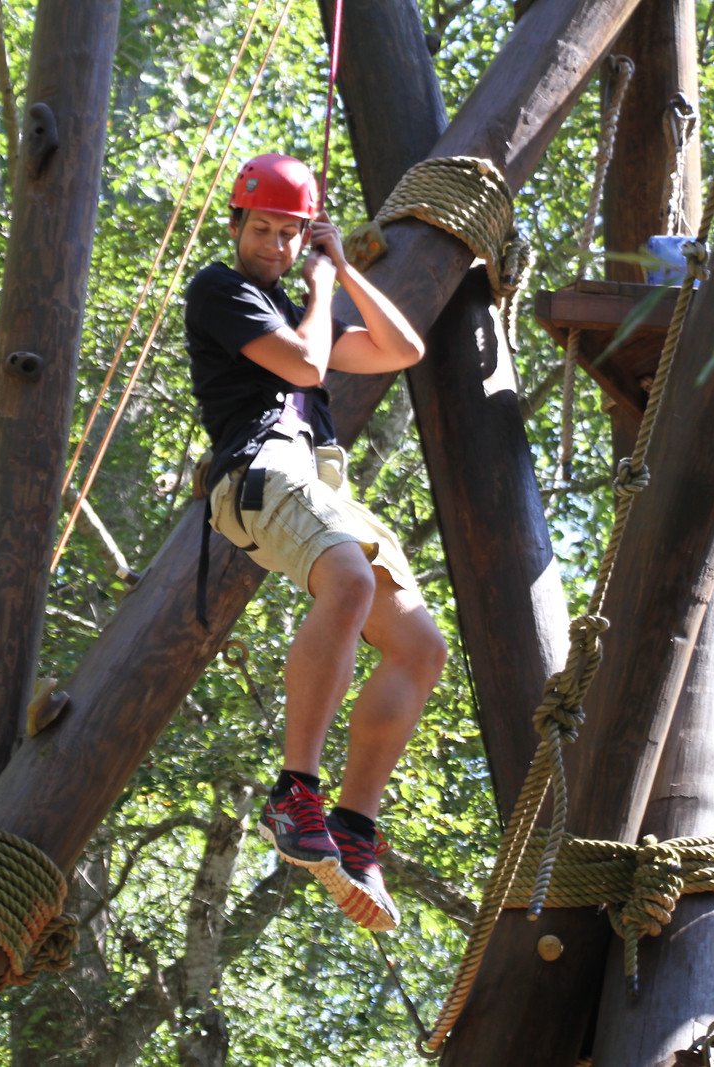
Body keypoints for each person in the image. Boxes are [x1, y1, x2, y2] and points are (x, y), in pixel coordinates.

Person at [185, 154, 446, 932]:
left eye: (289, 232)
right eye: (260, 228)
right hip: (258, 469)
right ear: (237, 226)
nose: (272, 244)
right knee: (349, 581)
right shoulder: (223, 290)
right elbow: (301, 363)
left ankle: (354, 829)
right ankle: (295, 790)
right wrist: (323, 288)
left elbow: (404, 350)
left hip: (320, 485)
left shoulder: (308, 298)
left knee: (420, 647)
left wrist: (340, 269)